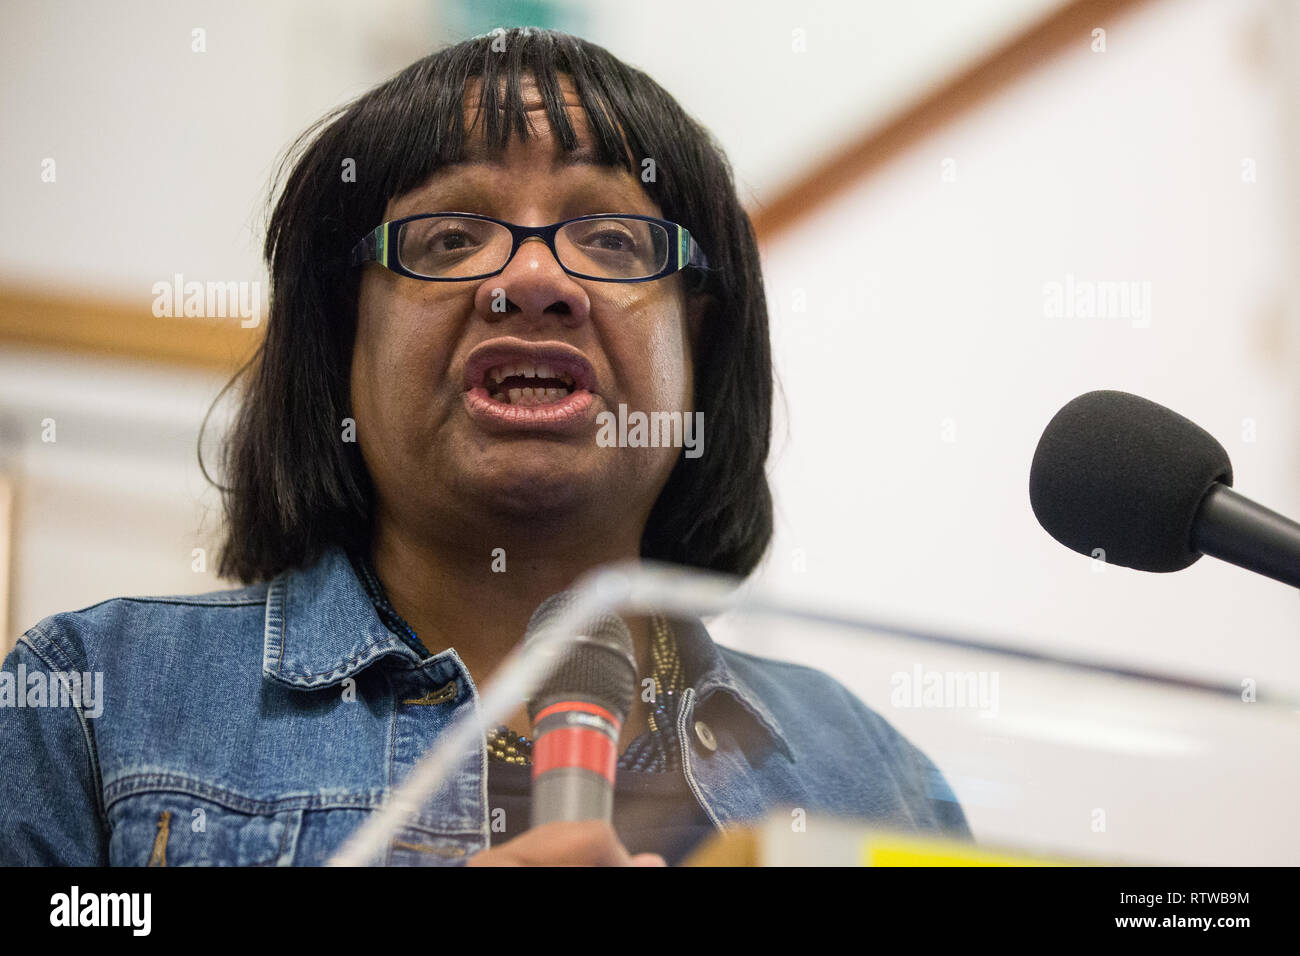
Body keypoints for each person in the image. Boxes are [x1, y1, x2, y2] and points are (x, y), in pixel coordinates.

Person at [0, 27, 968, 866]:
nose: (537, 278)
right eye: (452, 235)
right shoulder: (96, 696)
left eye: (612, 238)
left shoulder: (873, 774)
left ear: (697, 343)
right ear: (342, 340)